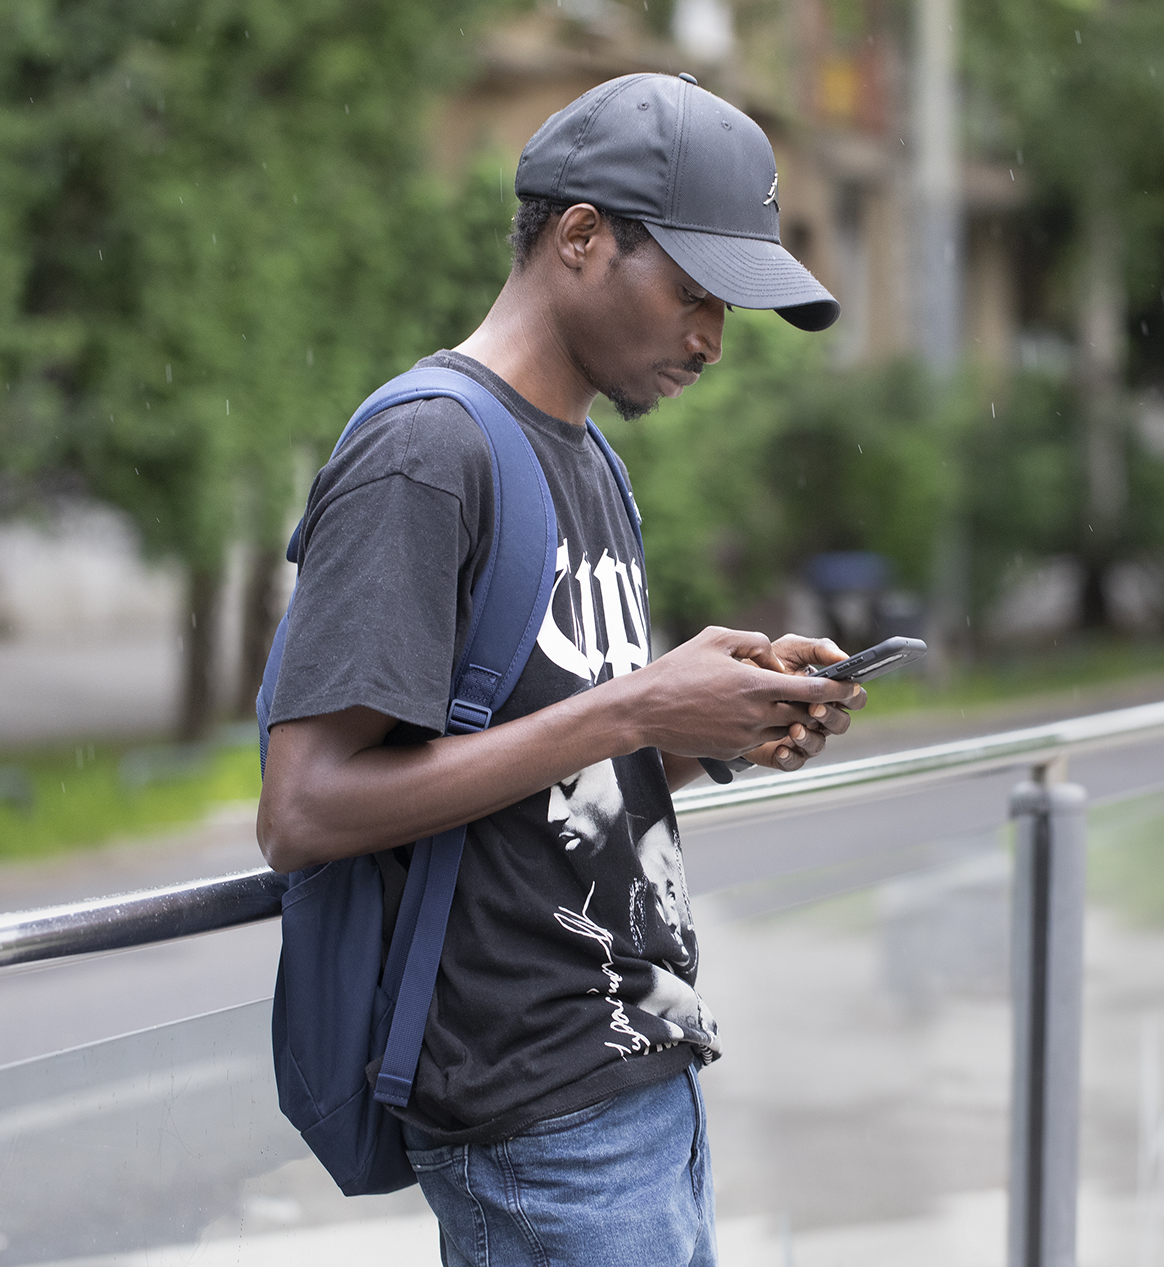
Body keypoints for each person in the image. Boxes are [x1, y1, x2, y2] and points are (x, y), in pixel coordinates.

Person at [257, 72, 865, 1267]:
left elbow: (555, 790)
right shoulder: (425, 453)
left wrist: (709, 730)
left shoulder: (588, 462)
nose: (711, 340)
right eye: (693, 293)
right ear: (580, 236)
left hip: (639, 1076)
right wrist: (636, 701)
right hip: (530, 1116)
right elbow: (304, 809)